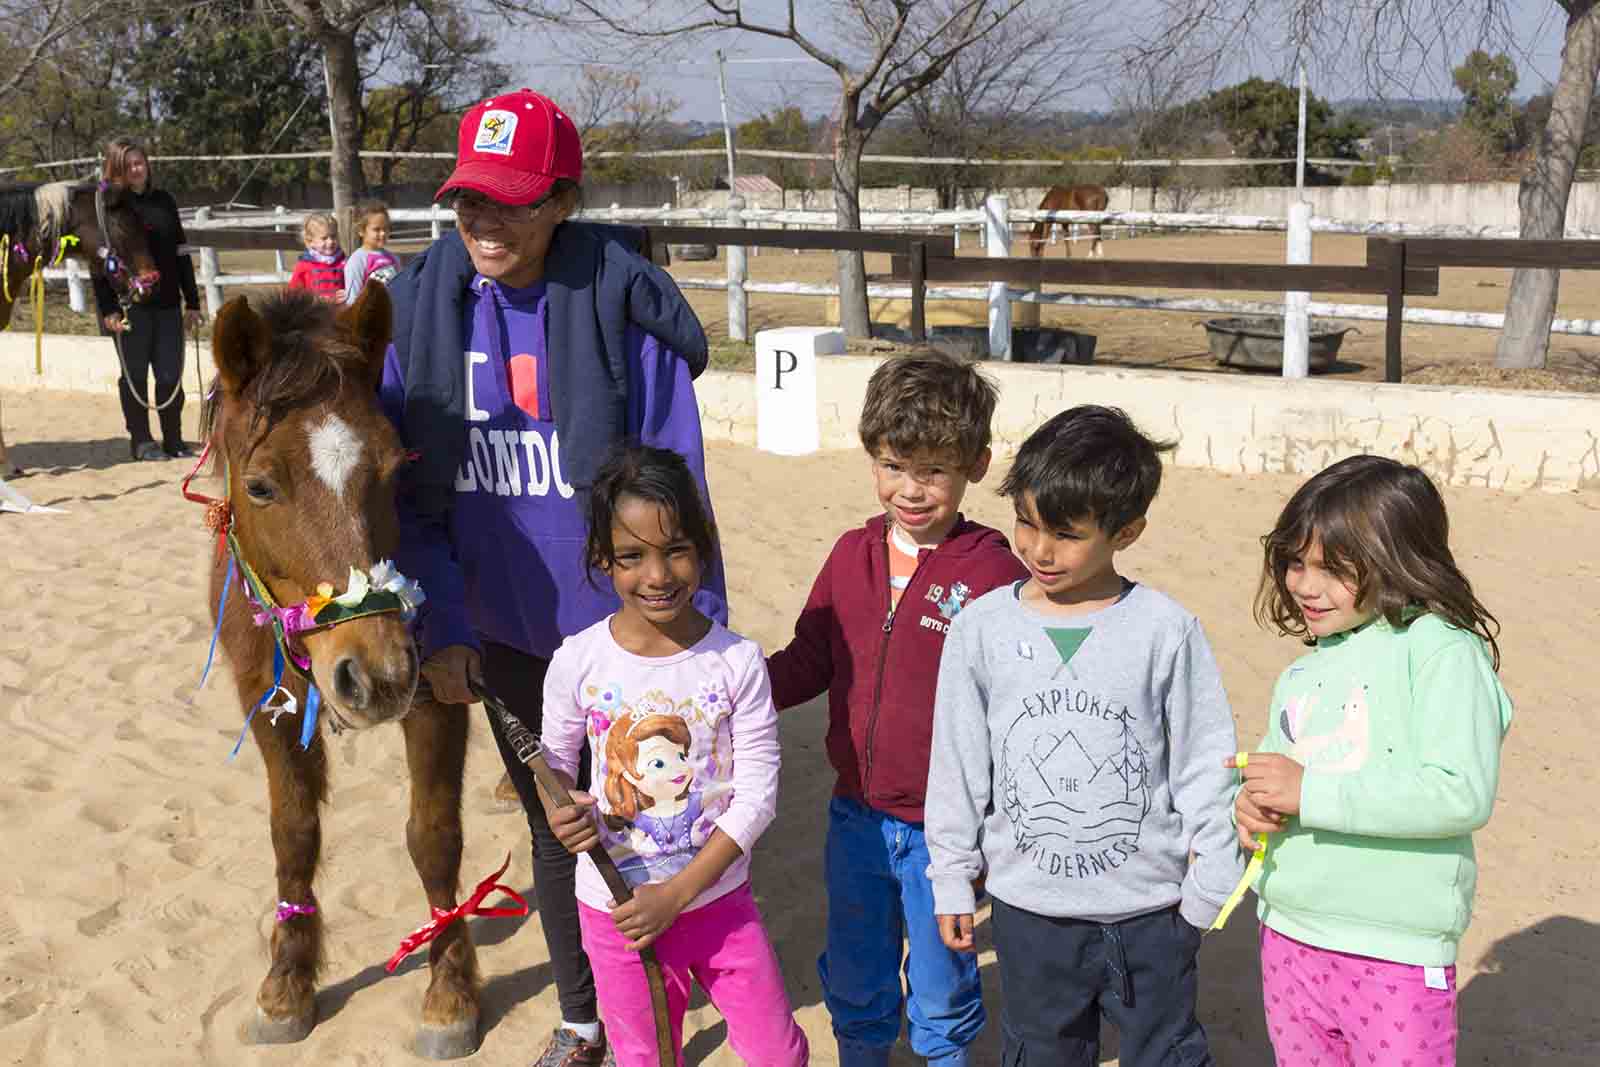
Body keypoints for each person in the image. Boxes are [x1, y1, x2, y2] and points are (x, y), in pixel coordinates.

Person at [378, 87, 723, 1067]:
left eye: (514, 200)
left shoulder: (623, 311)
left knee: (652, 817)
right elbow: (406, 498)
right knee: (557, 821)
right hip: (503, 634)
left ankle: (660, 977)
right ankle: (586, 1018)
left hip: (625, 630)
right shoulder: (420, 314)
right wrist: (442, 622)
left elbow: (678, 488)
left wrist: (690, 635)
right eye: (469, 201)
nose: (487, 222)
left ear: (563, 200)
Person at [925, 405, 1243, 1067]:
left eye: (1066, 534)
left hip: (1151, 912)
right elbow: (958, 766)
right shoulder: (980, 630)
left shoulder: (1165, 629)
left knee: (1166, 1052)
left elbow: (1203, 763)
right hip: (1027, 913)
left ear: (1126, 530)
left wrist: (1209, 887)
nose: (1040, 550)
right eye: (1027, 523)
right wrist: (952, 877)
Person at [766, 350, 1027, 1067]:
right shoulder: (850, 555)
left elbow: (1015, 709)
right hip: (853, 818)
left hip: (947, 832)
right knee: (856, 978)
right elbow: (807, 660)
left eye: (933, 470)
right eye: (892, 465)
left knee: (942, 987)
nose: (910, 490)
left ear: (977, 463)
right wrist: (731, 690)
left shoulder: (994, 573)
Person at [1231, 454, 1513, 1067]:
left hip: (1394, 949)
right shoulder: (1304, 670)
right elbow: (1283, 780)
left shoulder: (1441, 652)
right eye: (1294, 562)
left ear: (1398, 558)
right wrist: (1252, 806)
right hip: (1288, 935)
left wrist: (1310, 792)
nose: (1304, 585)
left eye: (1332, 568)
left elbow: (1459, 792)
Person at [541, 443, 807, 1067]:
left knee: (778, 1053)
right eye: (633, 557)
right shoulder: (577, 661)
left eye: (676, 551)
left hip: (720, 904)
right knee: (647, 1057)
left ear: (702, 547)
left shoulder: (737, 661)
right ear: (604, 559)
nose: (658, 576)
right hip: (618, 916)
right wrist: (562, 807)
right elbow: (554, 765)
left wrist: (680, 893)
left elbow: (758, 796)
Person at [93, 135, 204, 462]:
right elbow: (98, 264)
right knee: (135, 376)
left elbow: (181, 253)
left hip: (169, 302)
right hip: (129, 306)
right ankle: (142, 441)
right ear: (117, 170)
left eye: (140, 162)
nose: (137, 169)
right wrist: (108, 309)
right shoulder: (109, 207)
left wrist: (193, 301)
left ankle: (174, 439)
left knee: (170, 374)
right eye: (129, 166)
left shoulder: (165, 201)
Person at [343, 200, 400, 305]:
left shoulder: (393, 259)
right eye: (376, 229)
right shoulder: (357, 261)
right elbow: (352, 299)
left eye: (386, 229)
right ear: (361, 230)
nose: (383, 233)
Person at [287, 212, 345, 302]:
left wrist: (348, 292)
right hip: (315, 311)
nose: (330, 242)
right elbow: (293, 293)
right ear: (310, 241)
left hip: (340, 310)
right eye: (324, 238)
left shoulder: (344, 262)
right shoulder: (304, 265)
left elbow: (354, 285)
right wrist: (312, 300)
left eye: (333, 236)